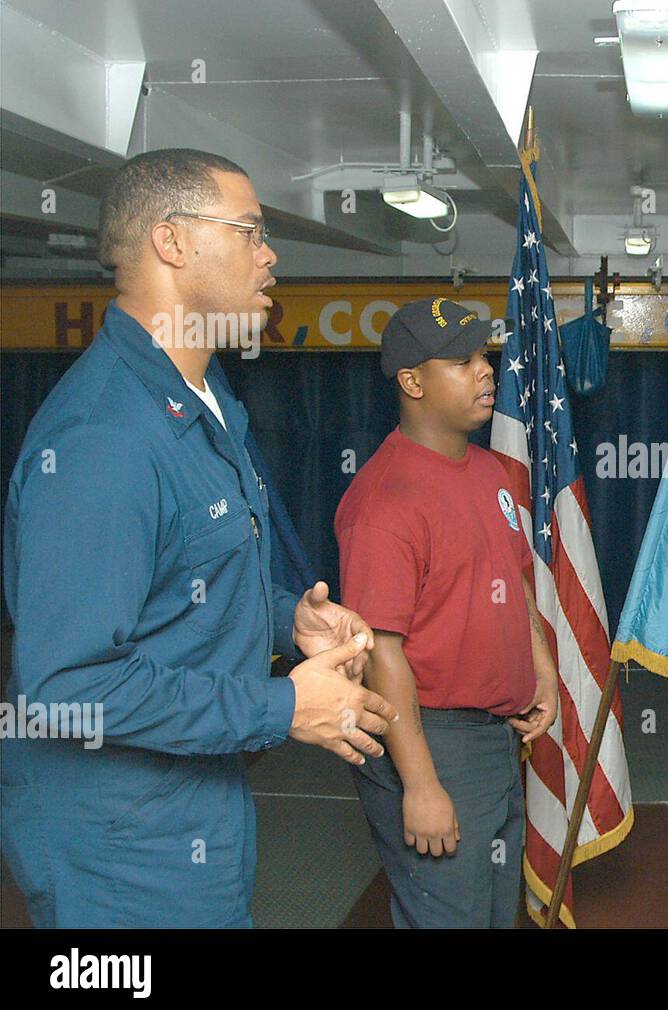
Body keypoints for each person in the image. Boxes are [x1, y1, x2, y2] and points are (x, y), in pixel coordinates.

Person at [1, 148, 398, 928]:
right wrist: (282, 706)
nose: (270, 255)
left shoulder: (205, 393)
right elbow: (64, 688)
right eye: (249, 232)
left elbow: (184, 577)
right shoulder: (104, 437)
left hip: (193, 808)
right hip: (117, 848)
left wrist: (286, 618)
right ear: (172, 243)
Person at [334, 297, 560, 928]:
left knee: (490, 915)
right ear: (411, 382)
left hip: (494, 741)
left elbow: (513, 581)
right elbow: (381, 654)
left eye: (485, 355)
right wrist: (422, 785)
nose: (487, 371)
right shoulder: (386, 498)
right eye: (463, 361)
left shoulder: (490, 471)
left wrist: (539, 669)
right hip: (433, 741)